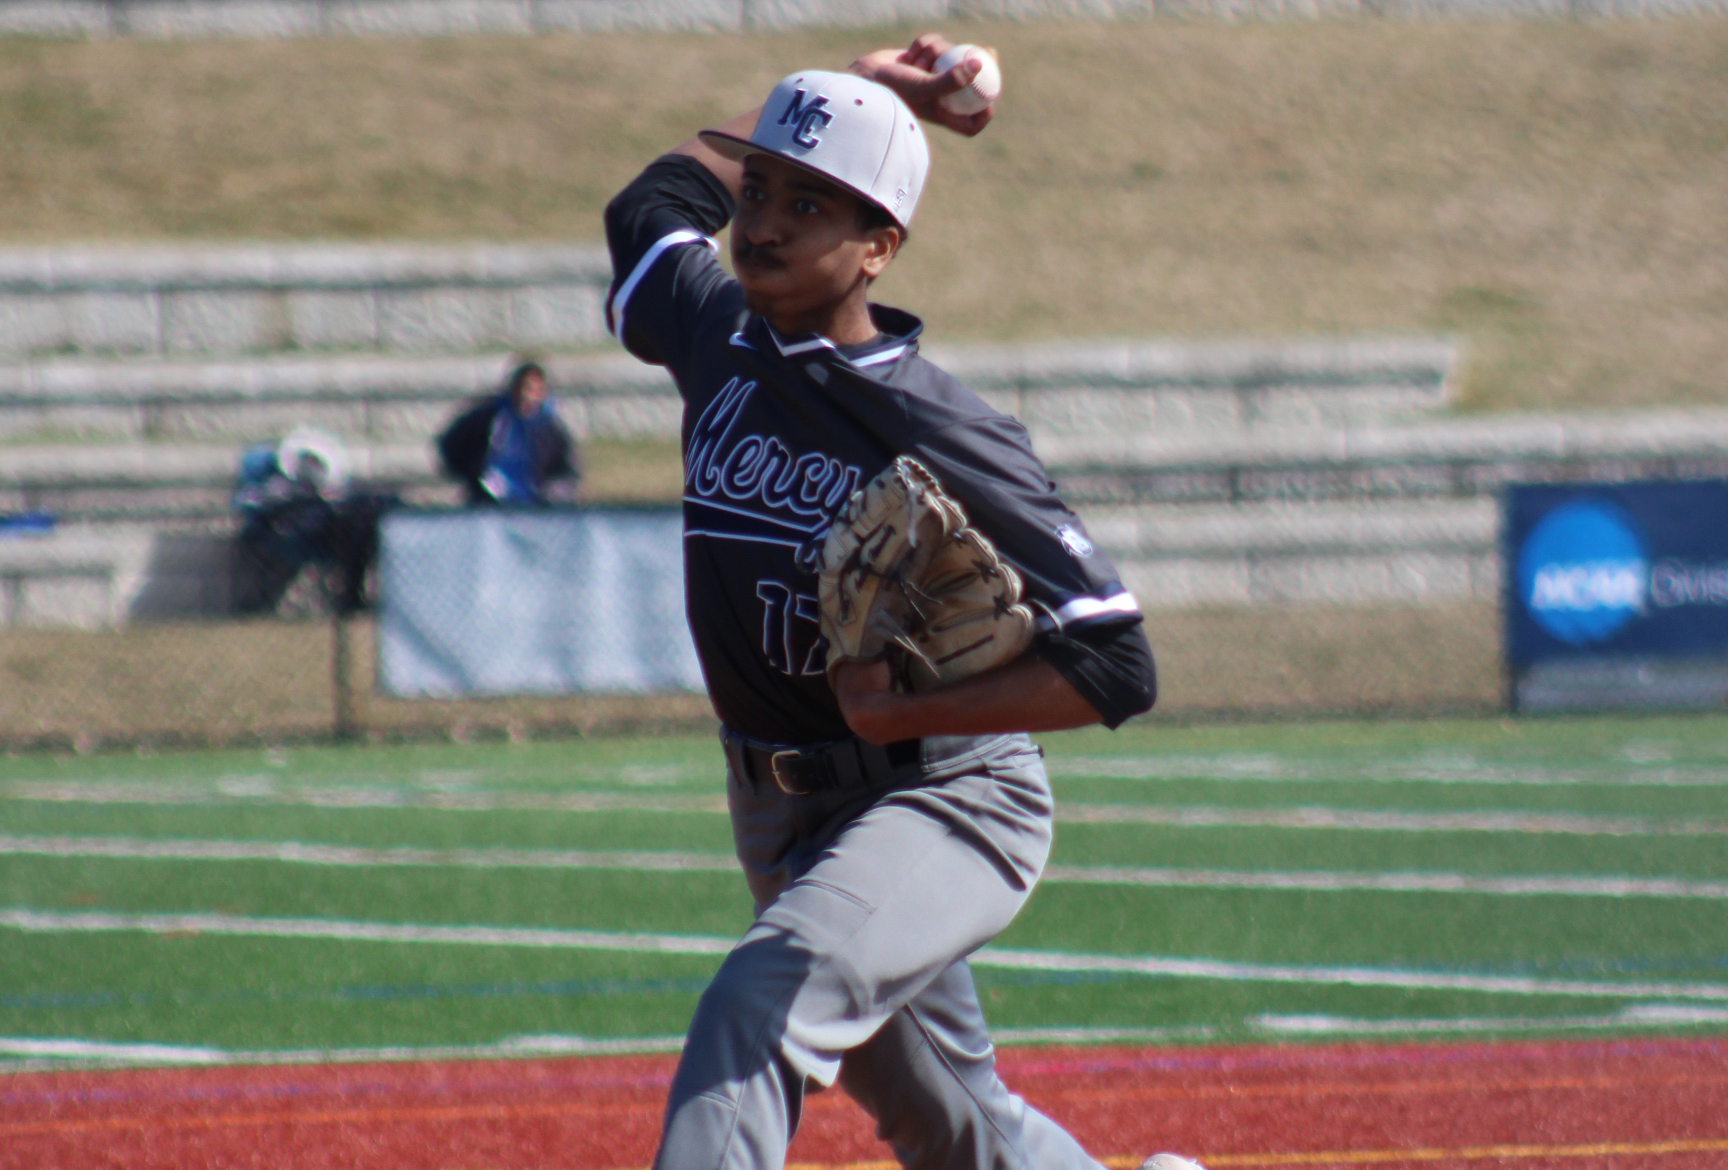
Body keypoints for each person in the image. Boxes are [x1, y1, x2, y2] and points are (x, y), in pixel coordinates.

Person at [604, 34, 1200, 1170]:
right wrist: (870, 90)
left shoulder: (941, 426)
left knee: (756, 1010)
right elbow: (654, 201)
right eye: (764, 189)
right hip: (781, 809)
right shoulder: (717, 334)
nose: (765, 223)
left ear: (880, 247)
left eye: (813, 205)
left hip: (949, 798)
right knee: (950, 1124)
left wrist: (899, 718)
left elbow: (1118, 665)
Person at [437, 360, 581, 505]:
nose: (526, 395)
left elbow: (567, 470)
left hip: (533, 505)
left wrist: (551, 492)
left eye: (533, 390)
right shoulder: (489, 417)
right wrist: (471, 476)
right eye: (523, 387)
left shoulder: (549, 428)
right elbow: (450, 443)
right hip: (490, 502)